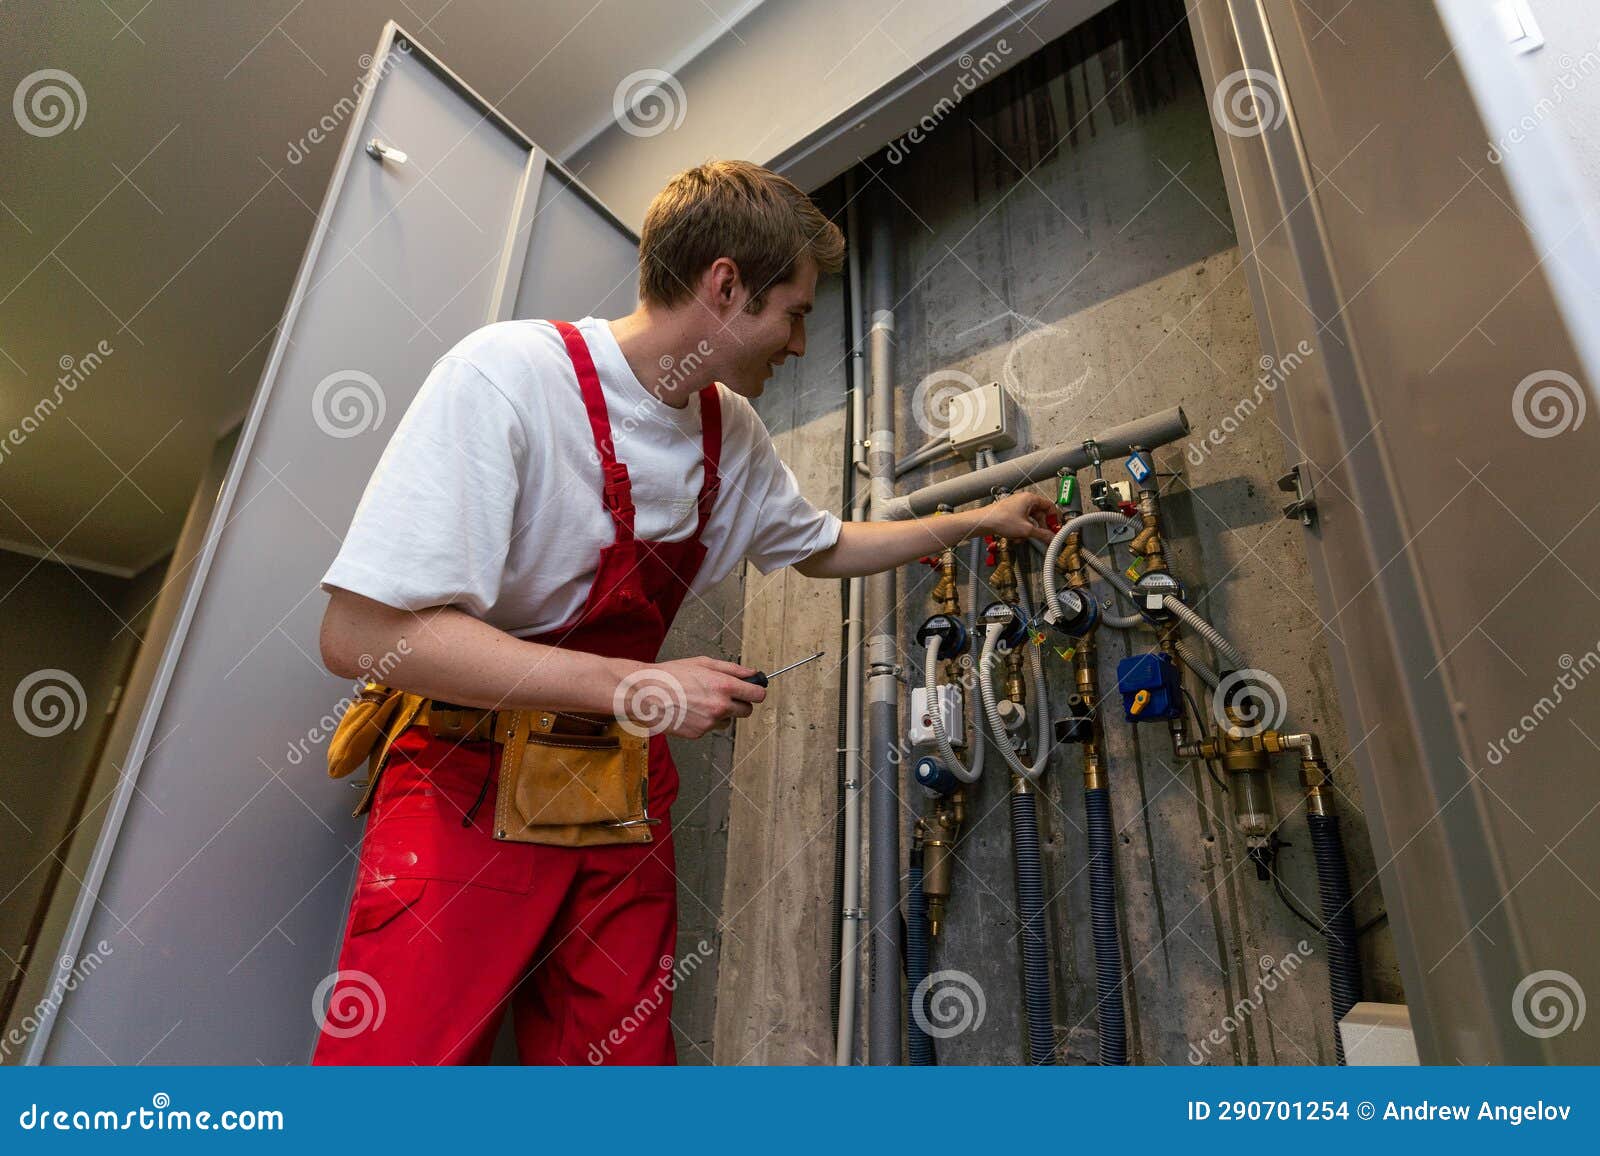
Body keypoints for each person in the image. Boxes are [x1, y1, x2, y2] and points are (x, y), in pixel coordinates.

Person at [312, 159, 1052, 1064]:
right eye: (795, 312)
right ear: (725, 286)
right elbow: (364, 635)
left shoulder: (730, 432)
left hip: (614, 791)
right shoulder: (507, 376)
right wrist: (638, 687)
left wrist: (976, 518)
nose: (800, 343)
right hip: (463, 778)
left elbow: (822, 545)